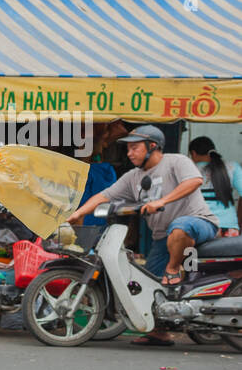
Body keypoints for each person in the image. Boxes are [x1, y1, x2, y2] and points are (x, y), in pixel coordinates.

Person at [67, 124, 218, 345]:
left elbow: (194, 181)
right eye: (128, 149)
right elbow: (104, 195)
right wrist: (77, 213)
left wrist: (162, 201)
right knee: (147, 288)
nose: (129, 153)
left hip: (199, 223)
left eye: (134, 148)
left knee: (180, 226)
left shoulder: (176, 161)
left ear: (153, 146)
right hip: (163, 239)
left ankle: (173, 269)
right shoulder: (133, 177)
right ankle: (159, 332)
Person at [187, 136, 242, 237]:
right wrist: (238, 219)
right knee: (229, 253)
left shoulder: (187, 169)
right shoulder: (232, 167)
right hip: (229, 226)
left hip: (199, 227)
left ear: (193, 153)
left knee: (194, 253)